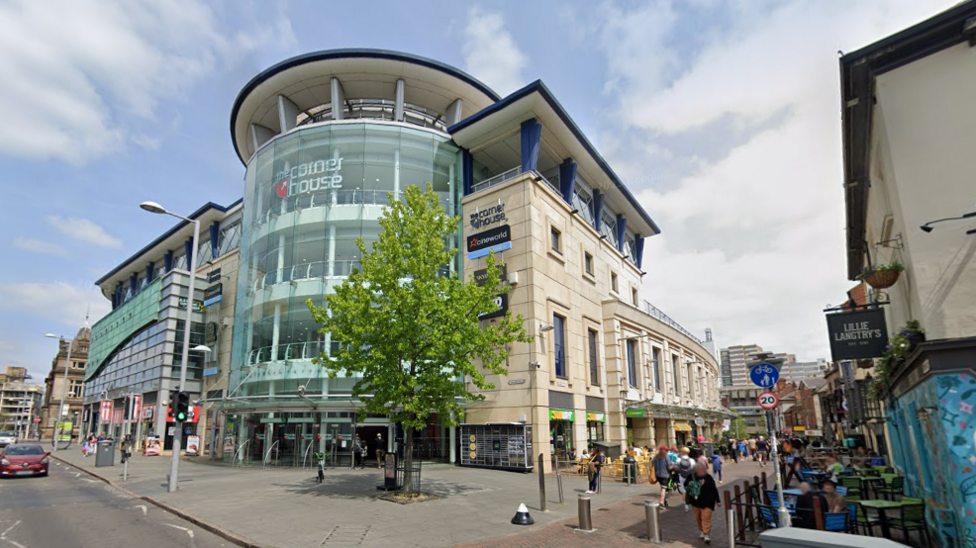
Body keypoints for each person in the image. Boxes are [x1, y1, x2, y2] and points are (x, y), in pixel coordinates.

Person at [686, 464, 720, 544]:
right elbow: (687, 488)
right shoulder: (691, 477)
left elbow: (714, 489)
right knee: (698, 517)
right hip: (695, 502)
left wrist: (717, 500)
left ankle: (706, 534)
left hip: (708, 501)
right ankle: (702, 530)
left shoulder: (708, 477)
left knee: (706, 517)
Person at [675, 448, 696, 512]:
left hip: (682, 476)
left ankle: (686, 506)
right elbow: (694, 468)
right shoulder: (692, 460)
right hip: (690, 477)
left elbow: (676, 467)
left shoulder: (678, 460)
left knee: (684, 491)